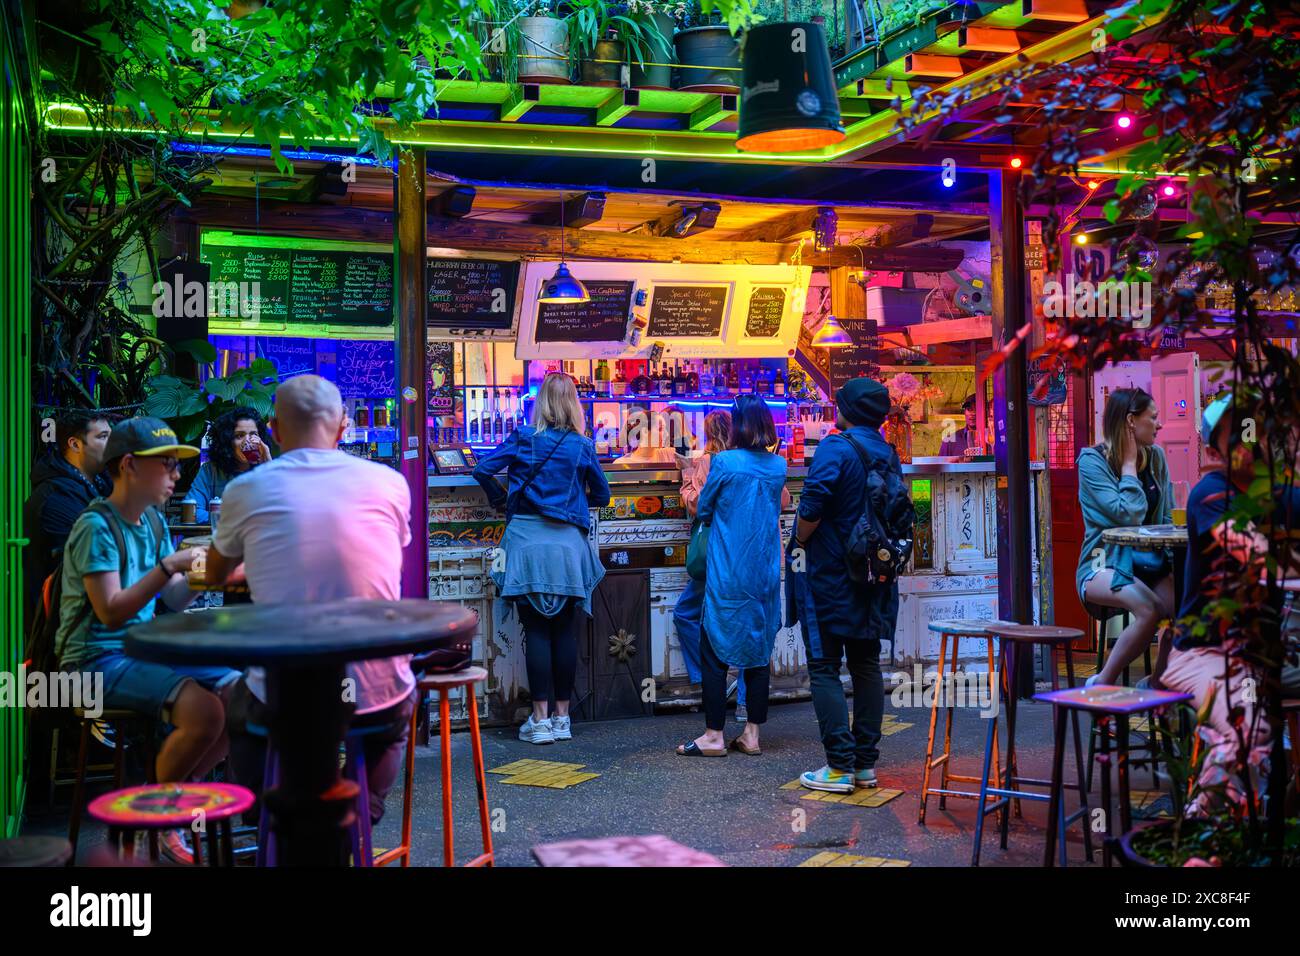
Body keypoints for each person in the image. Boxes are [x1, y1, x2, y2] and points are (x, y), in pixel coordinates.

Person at [205, 376, 415, 828]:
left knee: (235, 700)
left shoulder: (246, 489)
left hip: (283, 692)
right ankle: (361, 809)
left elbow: (215, 574)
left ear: (274, 430)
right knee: (396, 710)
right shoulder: (390, 482)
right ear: (343, 427)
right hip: (375, 690)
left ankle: (272, 816)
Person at [55, 418, 236, 799]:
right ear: (129, 465)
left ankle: (180, 795)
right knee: (204, 713)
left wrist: (212, 572)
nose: (176, 473)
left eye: (177, 464)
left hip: (142, 649)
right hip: (94, 660)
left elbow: (172, 598)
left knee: (243, 695)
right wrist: (171, 564)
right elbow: (111, 612)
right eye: (166, 463)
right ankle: (159, 815)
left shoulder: (152, 520)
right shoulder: (96, 526)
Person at [1159, 393, 1288, 809]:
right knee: (1244, 726)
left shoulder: (1277, 494)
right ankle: (1204, 835)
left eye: (1257, 431)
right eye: (1240, 435)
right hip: (1203, 655)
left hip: (1260, 657)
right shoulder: (1210, 494)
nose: (1252, 442)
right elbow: (1253, 552)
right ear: (1215, 451)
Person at [473, 372, 611, 745]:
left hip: (526, 544)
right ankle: (563, 719)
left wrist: (501, 498)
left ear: (540, 403)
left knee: (536, 630)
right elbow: (603, 496)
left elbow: (482, 468)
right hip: (568, 549)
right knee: (564, 631)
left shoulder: (522, 438)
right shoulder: (582, 446)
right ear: (573, 405)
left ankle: (539, 721)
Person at [788, 378, 906, 793]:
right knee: (866, 665)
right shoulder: (887, 451)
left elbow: (813, 502)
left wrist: (800, 539)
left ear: (849, 409)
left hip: (831, 574)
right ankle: (864, 766)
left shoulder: (835, 447)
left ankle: (838, 767)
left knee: (823, 666)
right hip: (875, 574)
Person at [675, 394, 788, 758]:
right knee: (758, 651)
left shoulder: (723, 462)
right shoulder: (777, 466)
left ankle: (713, 736)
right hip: (765, 570)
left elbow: (704, 509)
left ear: (738, 427)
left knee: (713, 650)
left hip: (729, 568)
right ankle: (752, 735)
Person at [1076, 387, 1174, 686]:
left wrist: (1174, 565)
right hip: (1101, 563)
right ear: (1131, 421)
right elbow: (1126, 514)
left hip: (1149, 562)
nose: (1160, 424)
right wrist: (1129, 466)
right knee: (1149, 609)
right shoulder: (1092, 462)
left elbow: (1167, 516)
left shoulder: (1156, 457)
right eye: (1153, 417)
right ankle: (1103, 681)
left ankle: (1156, 684)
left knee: (1191, 607)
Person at [23, 411, 114, 623]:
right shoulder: (56, 499)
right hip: (64, 628)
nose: (113, 444)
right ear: (75, 444)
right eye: (102, 437)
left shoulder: (99, 484)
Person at [672, 411, 735, 700]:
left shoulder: (707, 463)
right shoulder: (747, 461)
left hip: (712, 552)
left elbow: (698, 507)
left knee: (685, 613)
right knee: (738, 619)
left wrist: (686, 475)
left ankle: (708, 678)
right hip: (740, 553)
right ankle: (740, 687)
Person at [187, 406, 273, 523]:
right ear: (227, 441)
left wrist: (269, 469)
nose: (248, 441)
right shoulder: (210, 471)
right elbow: (192, 513)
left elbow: (284, 514)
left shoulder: (269, 469)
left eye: (253, 435)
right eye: (239, 435)